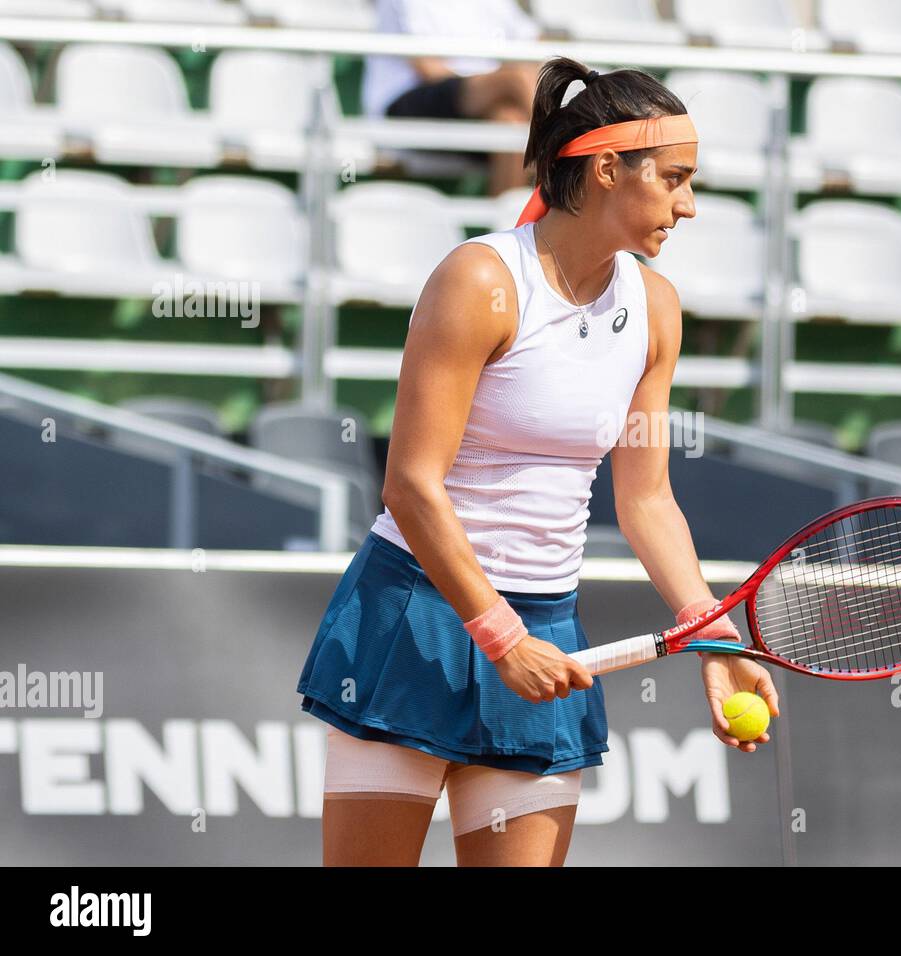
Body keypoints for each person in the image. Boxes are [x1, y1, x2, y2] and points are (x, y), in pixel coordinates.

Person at [297, 56, 781, 867]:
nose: (689, 205)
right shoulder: (480, 281)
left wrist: (714, 634)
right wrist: (499, 634)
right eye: (674, 179)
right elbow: (411, 486)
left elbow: (648, 500)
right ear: (604, 170)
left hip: (548, 627)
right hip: (419, 614)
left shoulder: (656, 309)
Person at [363, 0, 540, 195]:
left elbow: (531, 41)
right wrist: (491, 86)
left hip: (466, 95)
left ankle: (506, 223)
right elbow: (429, 69)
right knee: (516, 79)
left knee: (510, 122)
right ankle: (557, 150)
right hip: (405, 99)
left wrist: (489, 90)